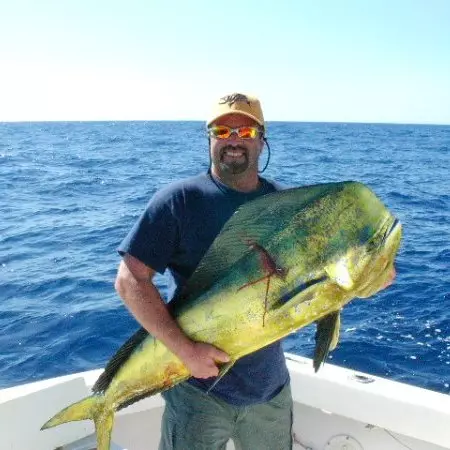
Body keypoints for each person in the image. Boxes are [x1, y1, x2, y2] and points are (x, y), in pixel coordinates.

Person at [115, 93, 293, 450]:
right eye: (222, 130)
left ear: (262, 138)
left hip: (269, 388)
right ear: (209, 138)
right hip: (197, 391)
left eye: (245, 131)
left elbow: (304, 279)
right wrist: (185, 351)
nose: (234, 140)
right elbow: (130, 279)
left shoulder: (283, 205)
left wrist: (366, 278)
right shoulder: (178, 201)